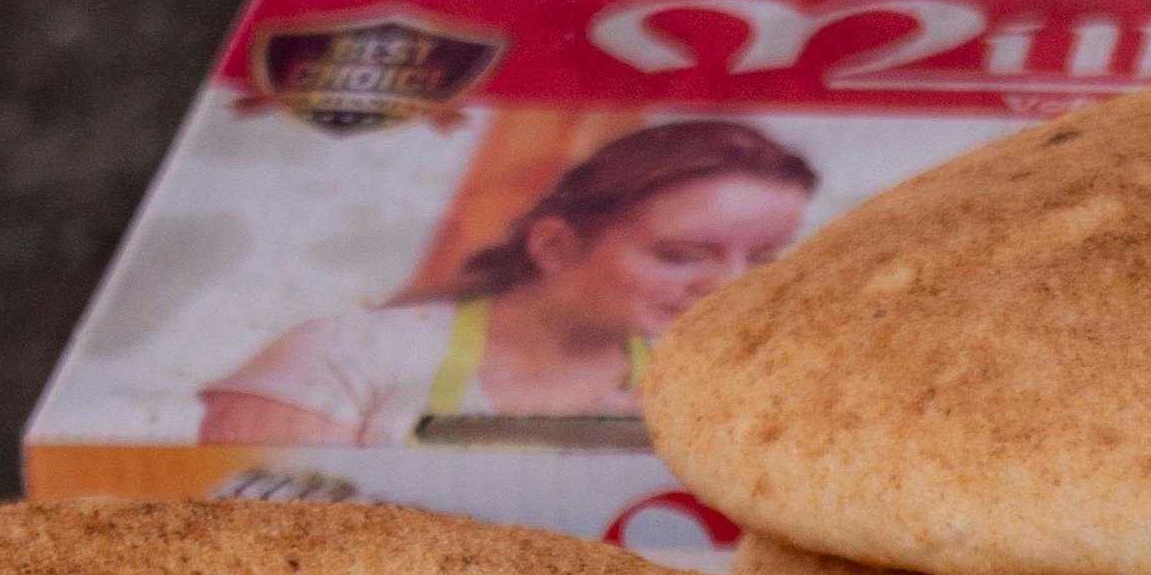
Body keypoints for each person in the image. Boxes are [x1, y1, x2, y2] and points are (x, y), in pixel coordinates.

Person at [204, 118, 817, 445]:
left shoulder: (699, 397)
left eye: (763, 260)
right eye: (681, 255)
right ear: (554, 245)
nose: (728, 288)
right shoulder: (345, 355)